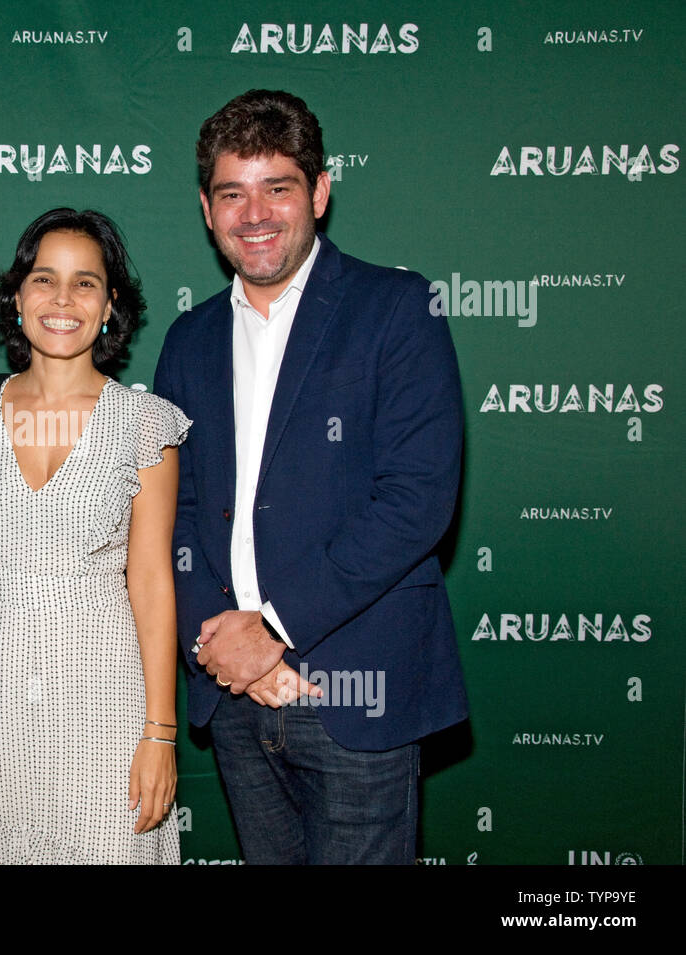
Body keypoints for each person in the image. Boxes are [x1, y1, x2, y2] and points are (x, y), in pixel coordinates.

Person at [153, 89, 469, 864]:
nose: (254, 213)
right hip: (233, 694)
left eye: (278, 188)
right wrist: (223, 646)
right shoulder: (189, 339)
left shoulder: (396, 308)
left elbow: (416, 500)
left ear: (320, 192)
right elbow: (176, 509)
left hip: (352, 689)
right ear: (206, 208)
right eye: (232, 193)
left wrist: (273, 633)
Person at [0, 208, 188, 864]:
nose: (62, 300)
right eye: (44, 279)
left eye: (85, 282)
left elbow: (150, 581)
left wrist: (160, 730)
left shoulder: (142, 424)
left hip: (100, 682)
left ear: (110, 304)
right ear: (17, 294)